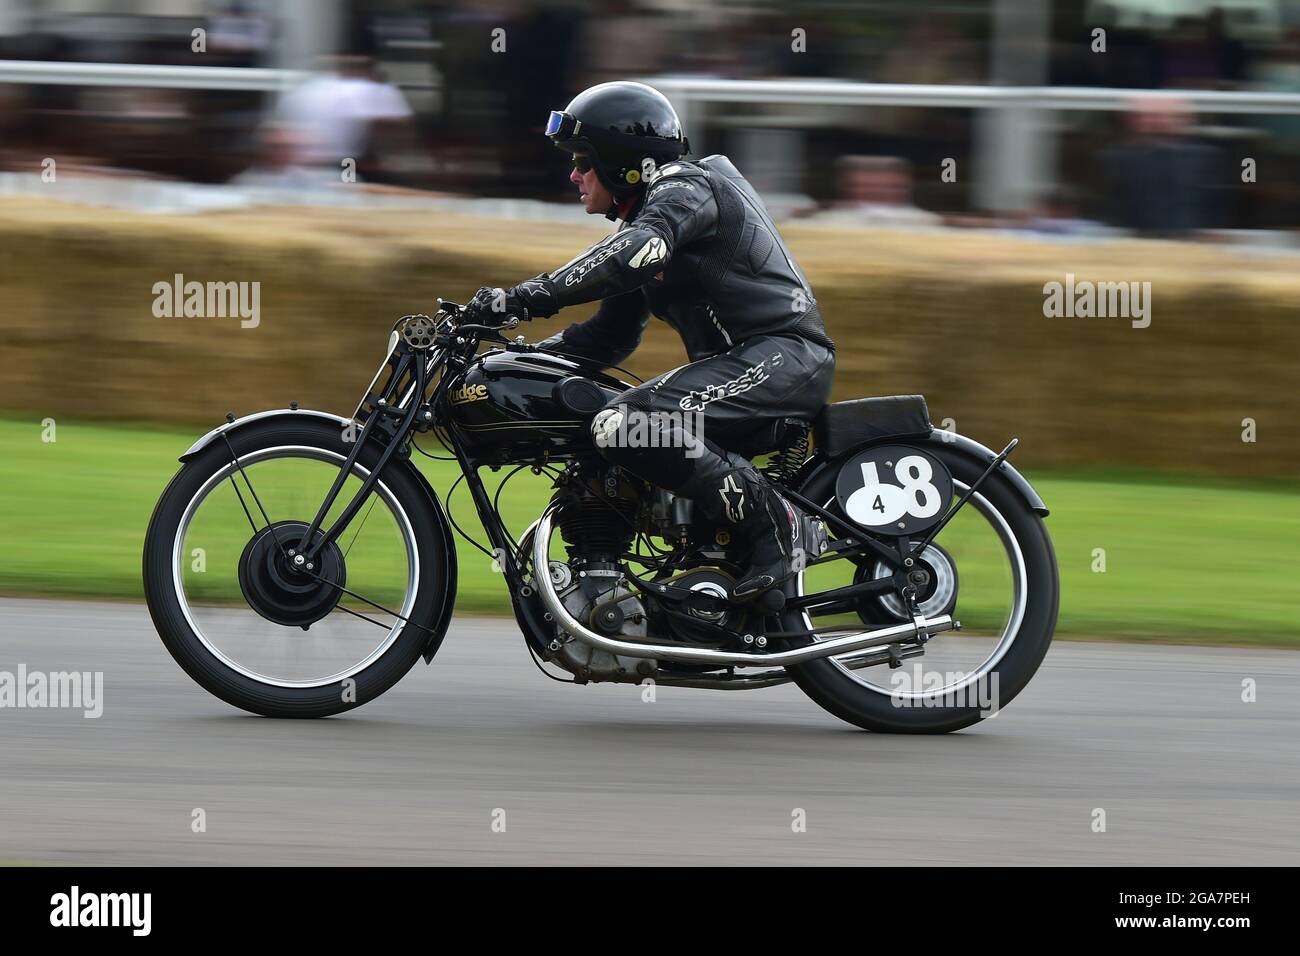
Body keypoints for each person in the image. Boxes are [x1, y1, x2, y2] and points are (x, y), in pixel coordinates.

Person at [461, 81, 836, 606]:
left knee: (624, 423)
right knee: (601, 429)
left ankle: (782, 525)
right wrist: (512, 358)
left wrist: (526, 296)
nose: (574, 175)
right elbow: (604, 339)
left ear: (624, 163)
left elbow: (631, 252)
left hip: (784, 358)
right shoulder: (649, 222)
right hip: (747, 365)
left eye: (584, 161)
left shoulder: (687, 189)